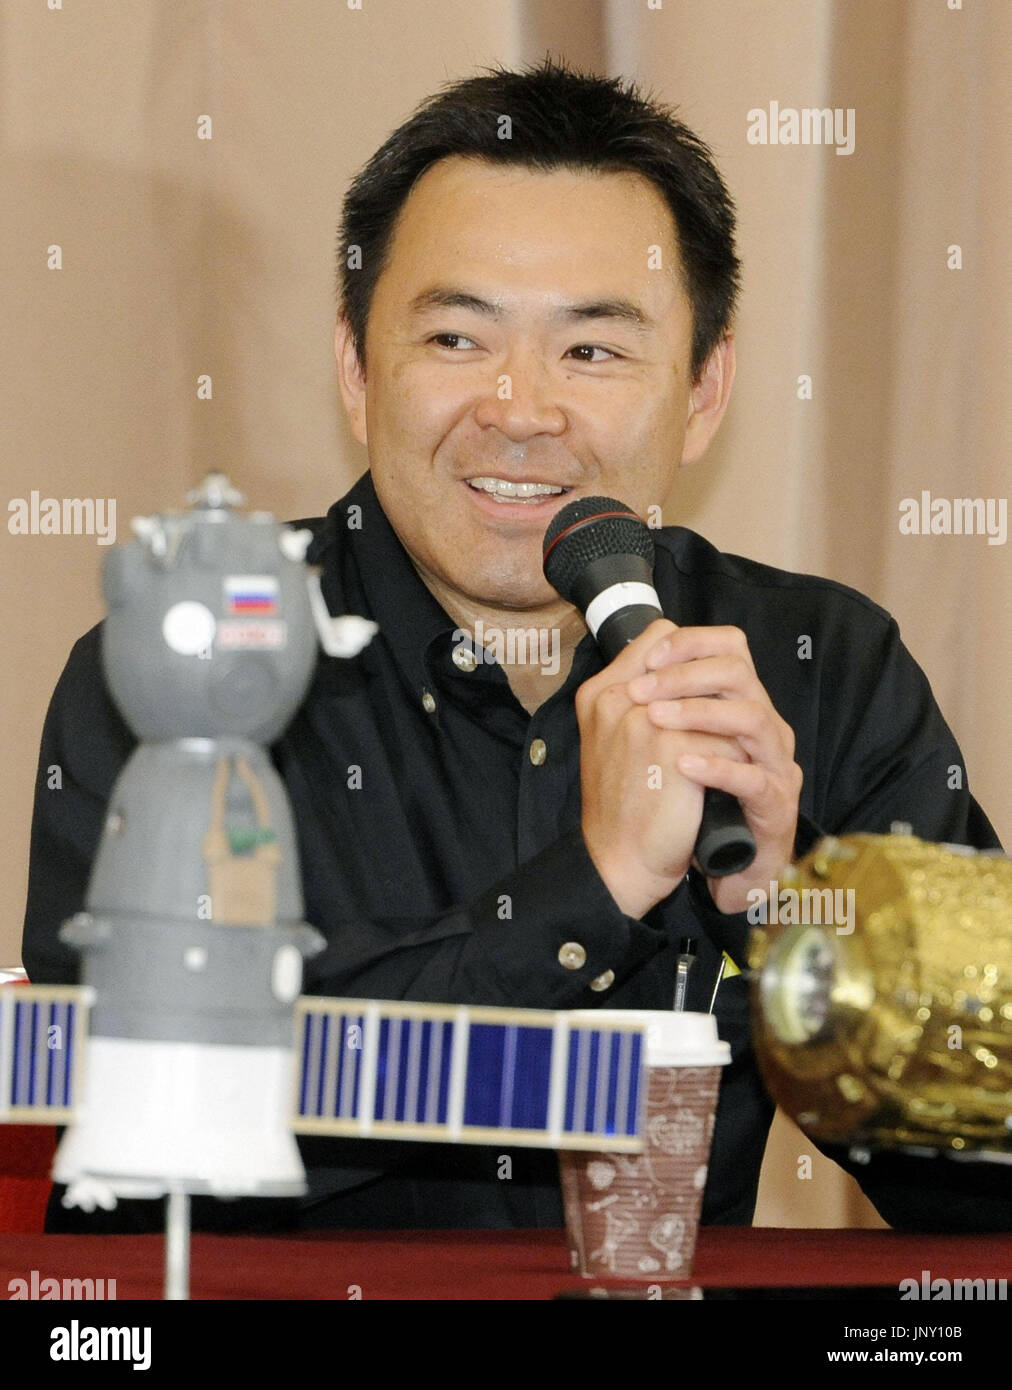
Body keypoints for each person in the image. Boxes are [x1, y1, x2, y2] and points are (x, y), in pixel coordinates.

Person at [21, 59, 1009, 1234]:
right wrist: (590, 893)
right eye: (455, 337)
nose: (520, 408)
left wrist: (793, 922)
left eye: (591, 351)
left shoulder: (815, 668)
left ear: (704, 389)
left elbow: (979, 1179)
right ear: (355, 364)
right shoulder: (189, 669)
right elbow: (155, 1123)